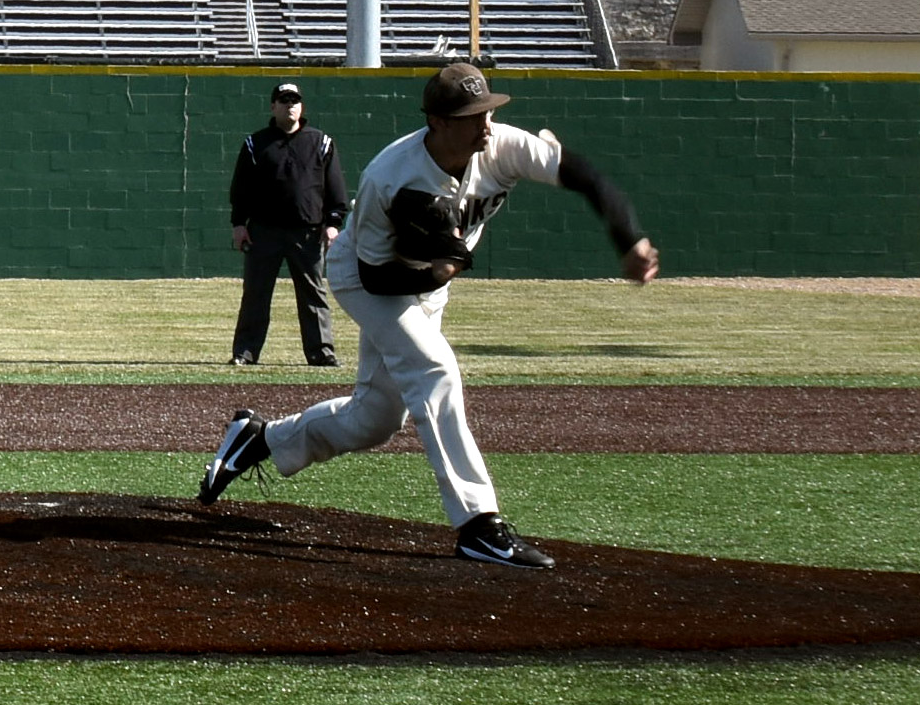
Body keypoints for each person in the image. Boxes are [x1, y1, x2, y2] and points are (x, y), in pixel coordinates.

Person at [198, 63, 659, 569]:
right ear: (437, 121)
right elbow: (378, 280)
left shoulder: (500, 144)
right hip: (369, 277)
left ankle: (260, 438)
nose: (485, 124)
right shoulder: (391, 177)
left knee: (374, 419)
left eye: (487, 111)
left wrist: (628, 239)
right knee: (435, 368)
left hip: (427, 282)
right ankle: (478, 523)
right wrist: (443, 270)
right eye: (470, 116)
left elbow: (585, 176)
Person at [227, 82, 349, 367]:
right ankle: (244, 352)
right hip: (263, 232)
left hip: (307, 233)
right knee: (256, 294)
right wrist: (238, 224)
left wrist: (333, 222)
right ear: (273, 107)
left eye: (294, 100)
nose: (290, 105)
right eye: (284, 100)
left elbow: (335, 188)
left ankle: (321, 353)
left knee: (313, 295)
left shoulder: (321, 142)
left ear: (302, 106)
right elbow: (241, 190)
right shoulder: (255, 143)